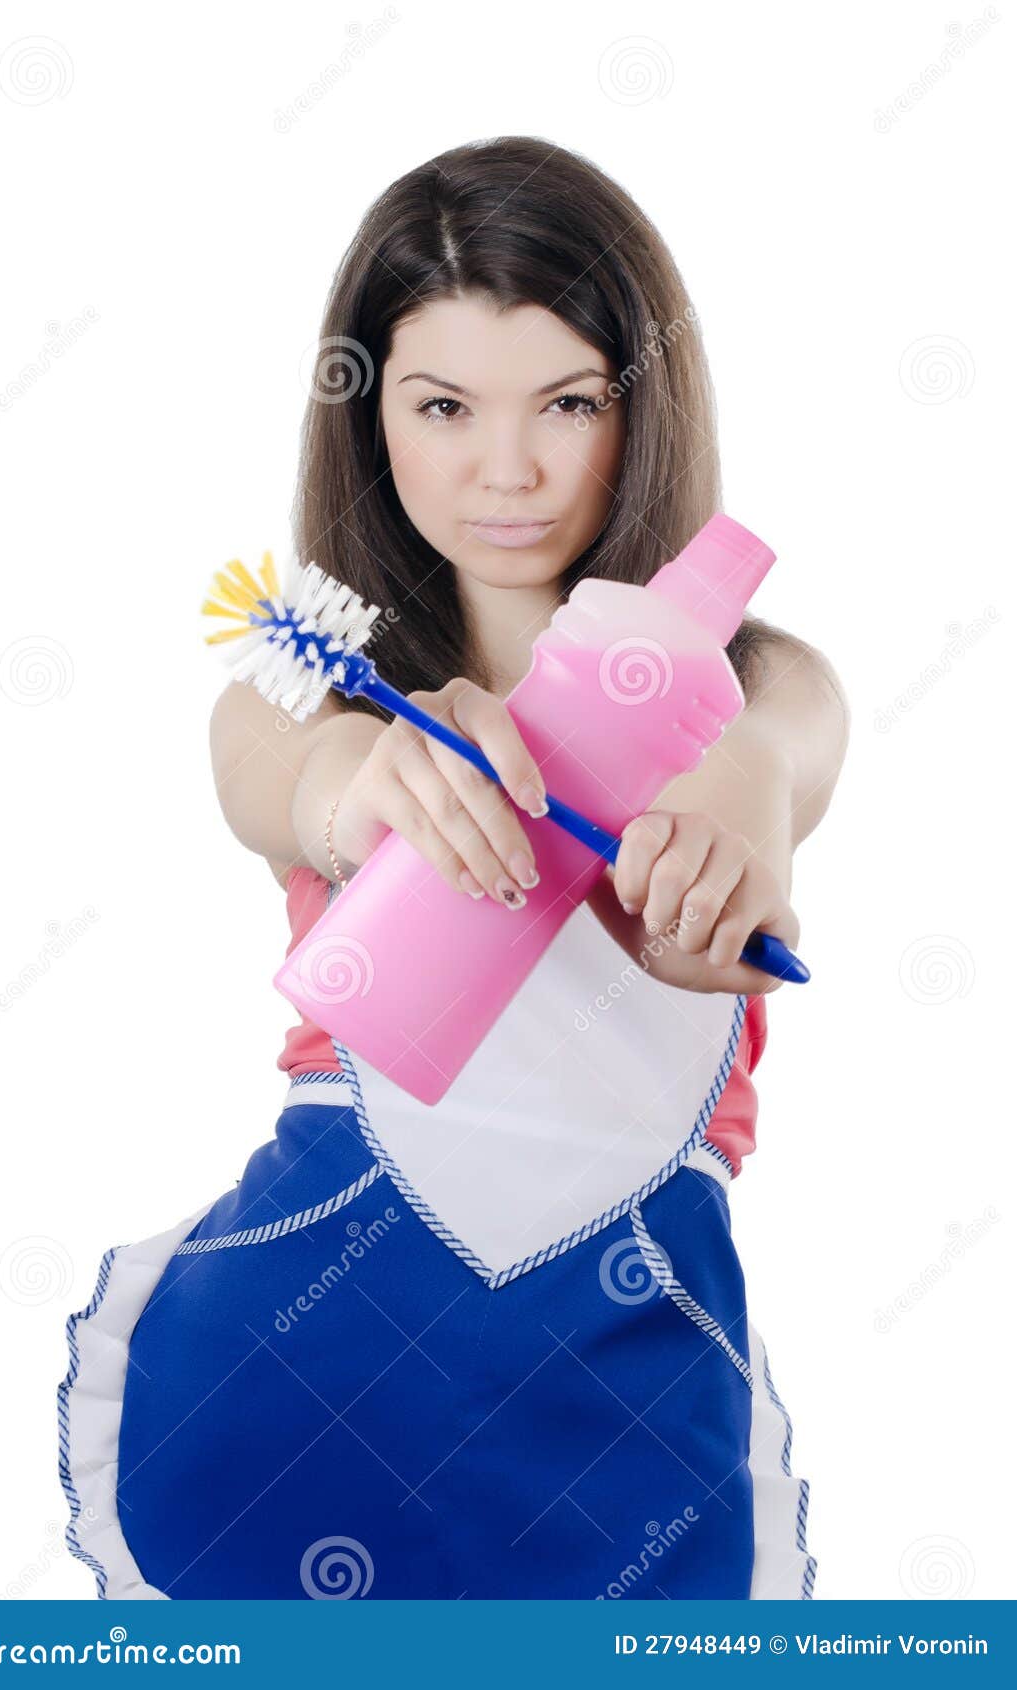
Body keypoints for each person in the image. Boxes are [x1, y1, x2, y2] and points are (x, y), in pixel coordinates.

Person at [58, 135, 849, 1600]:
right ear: (369, 420)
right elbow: (288, 785)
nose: (508, 468)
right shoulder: (300, 703)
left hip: (626, 1408)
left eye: (567, 402)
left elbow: (759, 763)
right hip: (290, 1386)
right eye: (441, 406)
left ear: (642, 403)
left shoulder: (766, 684)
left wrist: (716, 845)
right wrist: (377, 790)